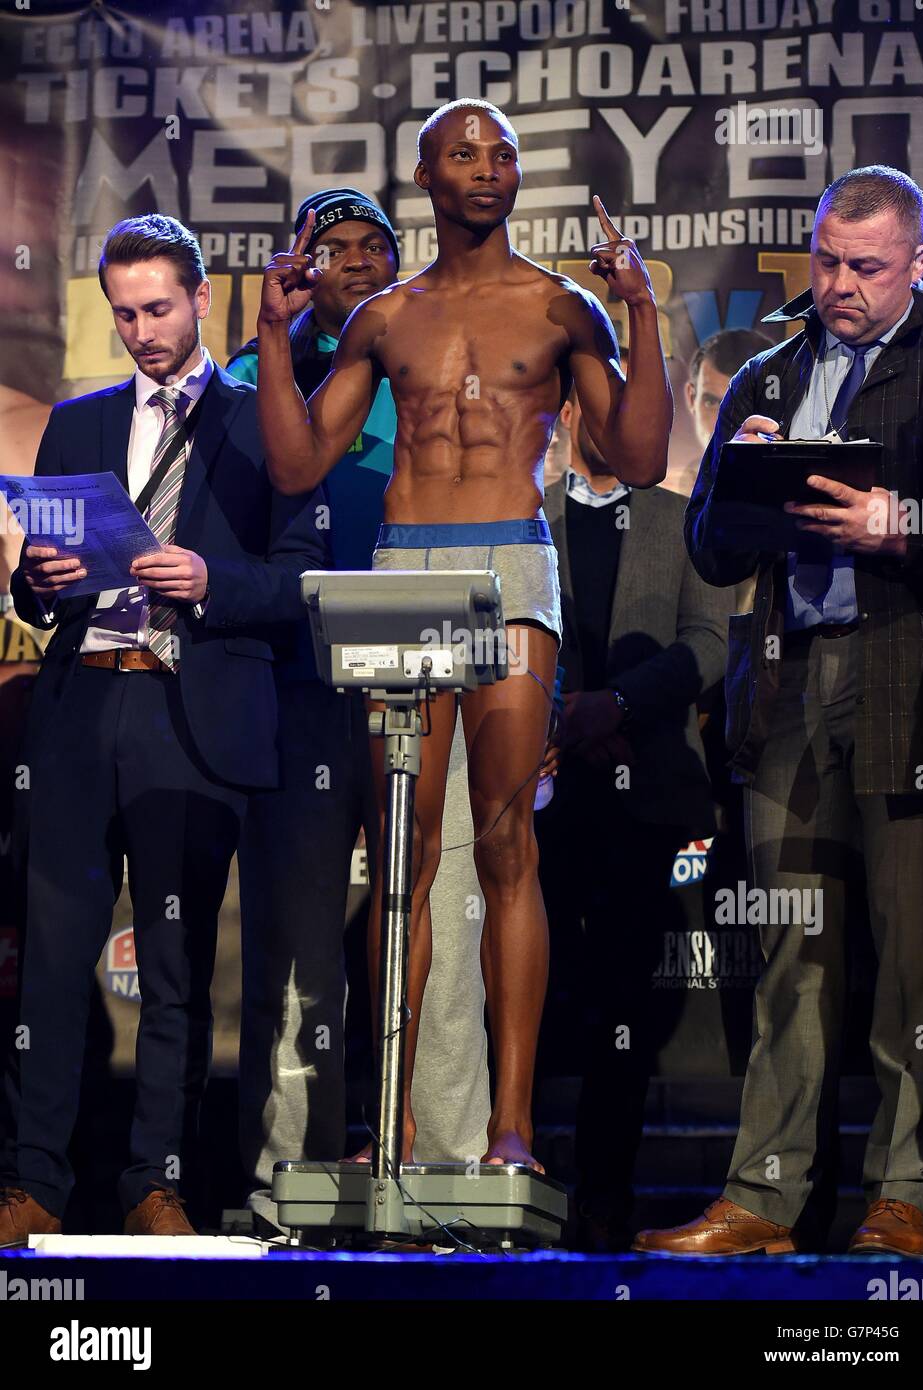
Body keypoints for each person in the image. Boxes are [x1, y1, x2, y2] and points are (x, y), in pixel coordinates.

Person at [255, 98, 672, 1171]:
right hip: (406, 563)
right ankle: (393, 1129)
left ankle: (510, 1129)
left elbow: (638, 456)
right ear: (428, 178)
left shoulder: (561, 304)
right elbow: (299, 468)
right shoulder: (386, 316)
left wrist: (641, 317)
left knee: (504, 844)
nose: (487, 169)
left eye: (502, 155)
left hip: (512, 560)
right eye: (463, 155)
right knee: (402, 857)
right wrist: (267, 330)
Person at [636, 166, 923, 1257]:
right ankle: (765, 1198)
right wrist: (749, 481)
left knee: (914, 958)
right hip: (784, 678)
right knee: (790, 949)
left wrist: (905, 522)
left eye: (865, 266)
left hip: (910, 677)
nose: (840, 284)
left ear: (919, 259)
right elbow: (711, 545)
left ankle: (901, 1193)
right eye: (826, 261)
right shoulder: (769, 373)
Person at [0, 214, 326, 1243]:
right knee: (53, 967)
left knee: (176, 971)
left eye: (158, 308)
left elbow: (301, 583)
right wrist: (36, 578)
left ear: (200, 302)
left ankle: (159, 1183)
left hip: (193, 711)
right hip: (80, 706)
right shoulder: (78, 420)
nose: (142, 330)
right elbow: (41, 583)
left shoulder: (260, 419)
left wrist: (209, 580)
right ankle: (35, 1182)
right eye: (124, 312)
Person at [228, 190, 489, 1228]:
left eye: (373, 243)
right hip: (296, 688)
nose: (353, 259)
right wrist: (273, 341)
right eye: (329, 246)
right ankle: (285, 1179)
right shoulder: (255, 382)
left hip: (425, 672)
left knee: (440, 916)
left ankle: (441, 1162)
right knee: (296, 946)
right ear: (298, 263)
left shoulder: (432, 365)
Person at [539, 364, 732, 1247]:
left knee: (621, 1003)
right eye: (598, 404)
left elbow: (707, 642)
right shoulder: (525, 517)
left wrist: (613, 709)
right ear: (570, 411)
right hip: (533, 792)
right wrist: (565, 714)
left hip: (644, 791)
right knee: (533, 999)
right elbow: (490, 628)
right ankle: (520, 1176)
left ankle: (602, 1201)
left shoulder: (679, 518)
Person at [668, 329, 773, 499]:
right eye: (711, 402)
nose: (724, 420)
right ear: (691, 397)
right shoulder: (662, 493)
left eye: (743, 403)